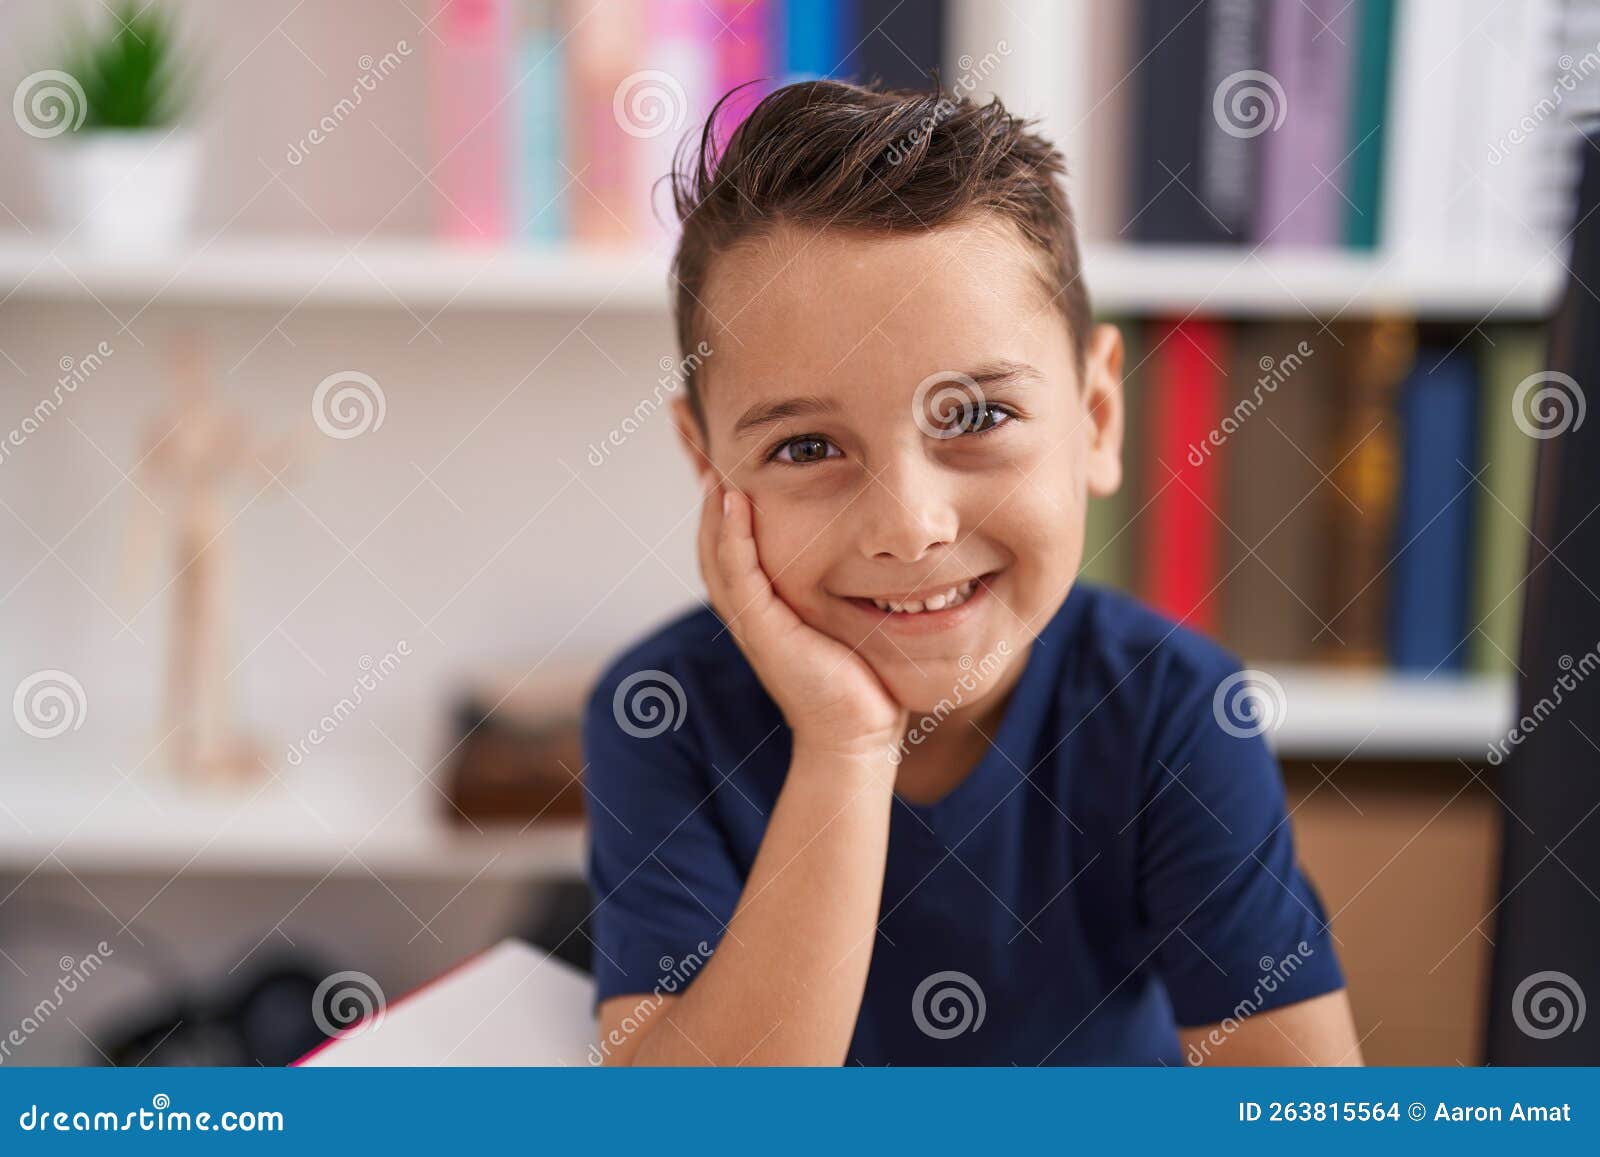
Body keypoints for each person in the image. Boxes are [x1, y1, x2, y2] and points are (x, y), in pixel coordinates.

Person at [581, 80, 1360, 1066]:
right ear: (708, 464)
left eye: (976, 416)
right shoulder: (662, 709)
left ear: (1097, 416)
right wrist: (845, 744)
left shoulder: (1173, 705)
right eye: (806, 445)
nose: (909, 527)